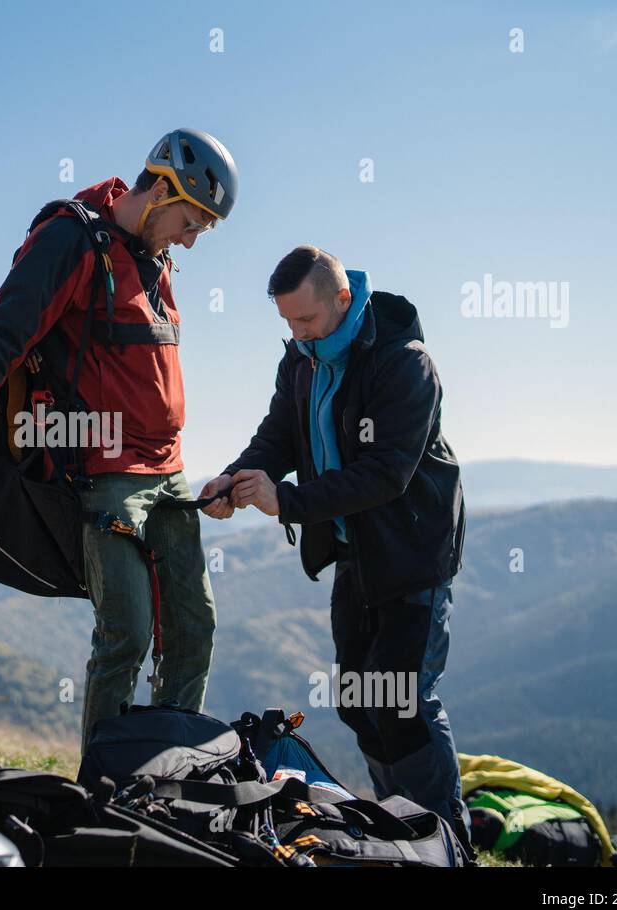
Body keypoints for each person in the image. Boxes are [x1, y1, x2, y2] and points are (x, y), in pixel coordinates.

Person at [0, 130, 238, 753]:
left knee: (194, 627)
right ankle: (107, 779)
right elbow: (0, 335)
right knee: (127, 633)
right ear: (160, 191)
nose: (191, 240)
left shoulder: (154, 258)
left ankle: (172, 772)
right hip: (105, 475)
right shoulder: (70, 240)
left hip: (169, 473)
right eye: (191, 222)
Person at [201, 245, 471, 848]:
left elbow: (386, 473)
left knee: (403, 705)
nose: (297, 333)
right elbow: (279, 435)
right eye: (287, 322)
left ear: (343, 299)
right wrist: (234, 477)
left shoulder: (405, 363)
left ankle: (448, 843)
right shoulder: (302, 359)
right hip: (355, 557)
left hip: (411, 556)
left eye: (306, 319)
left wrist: (288, 501)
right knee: (359, 701)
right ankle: (405, 831)